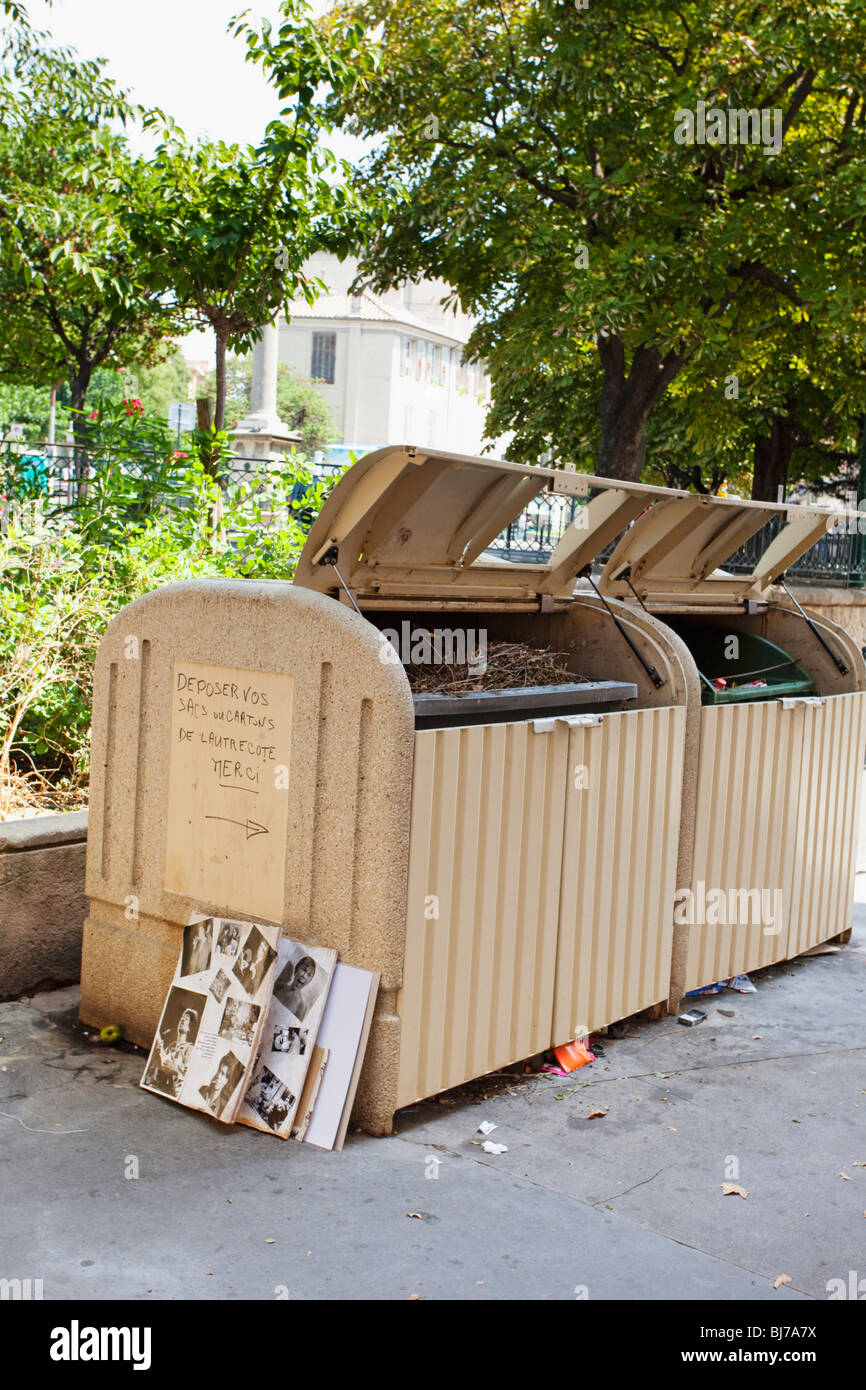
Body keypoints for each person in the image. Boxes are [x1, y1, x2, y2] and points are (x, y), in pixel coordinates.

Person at [281, 955, 318, 1021]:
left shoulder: (301, 1006)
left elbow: (294, 1029)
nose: (304, 976)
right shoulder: (280, 987)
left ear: (310, 981)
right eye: (304, 970)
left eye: (309, 975)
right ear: (296, 969)